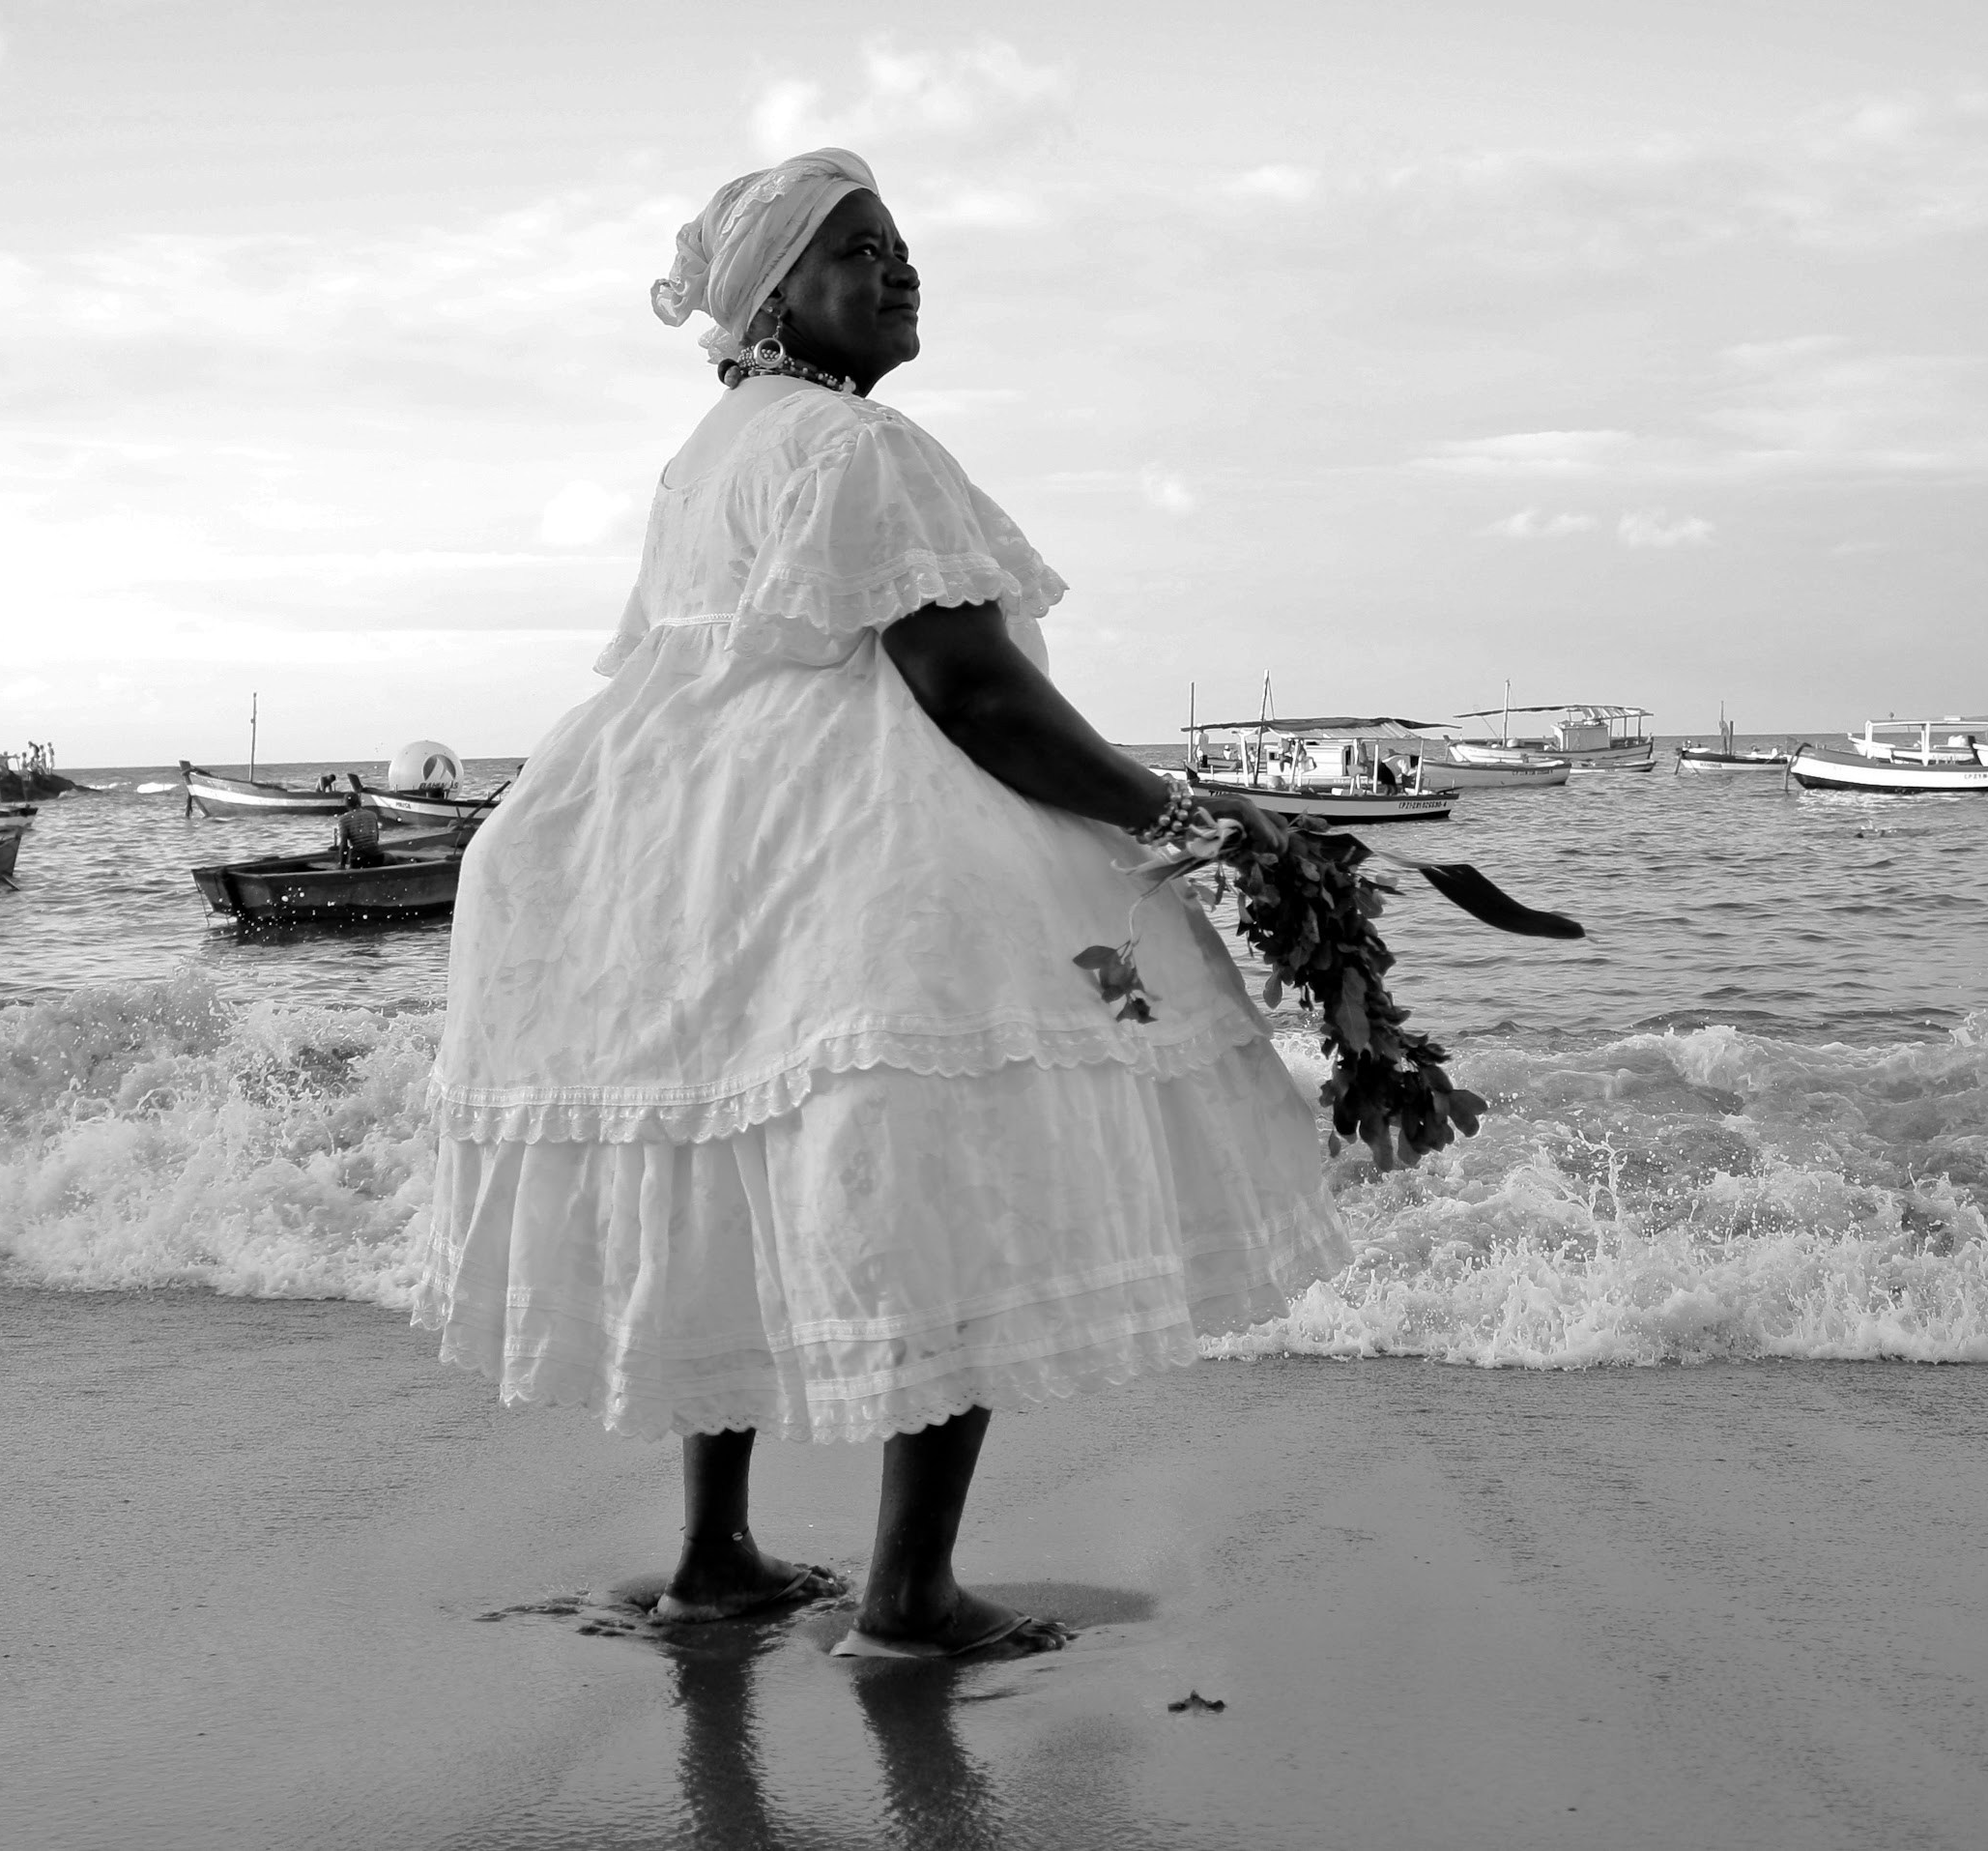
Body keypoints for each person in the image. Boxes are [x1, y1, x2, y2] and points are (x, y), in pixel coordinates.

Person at [408, 149, 1346, 1661]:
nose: (900, 270)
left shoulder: (712, 450)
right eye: (858, 250)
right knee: (944, 1187)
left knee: (735, 1170)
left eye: (904, 246)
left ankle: (716, 1560)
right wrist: (1183, 812)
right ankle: (910, 1596)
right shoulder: (864, 448)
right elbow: (973, 689)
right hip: (865, 865)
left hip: (690, 865)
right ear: (774, 294)